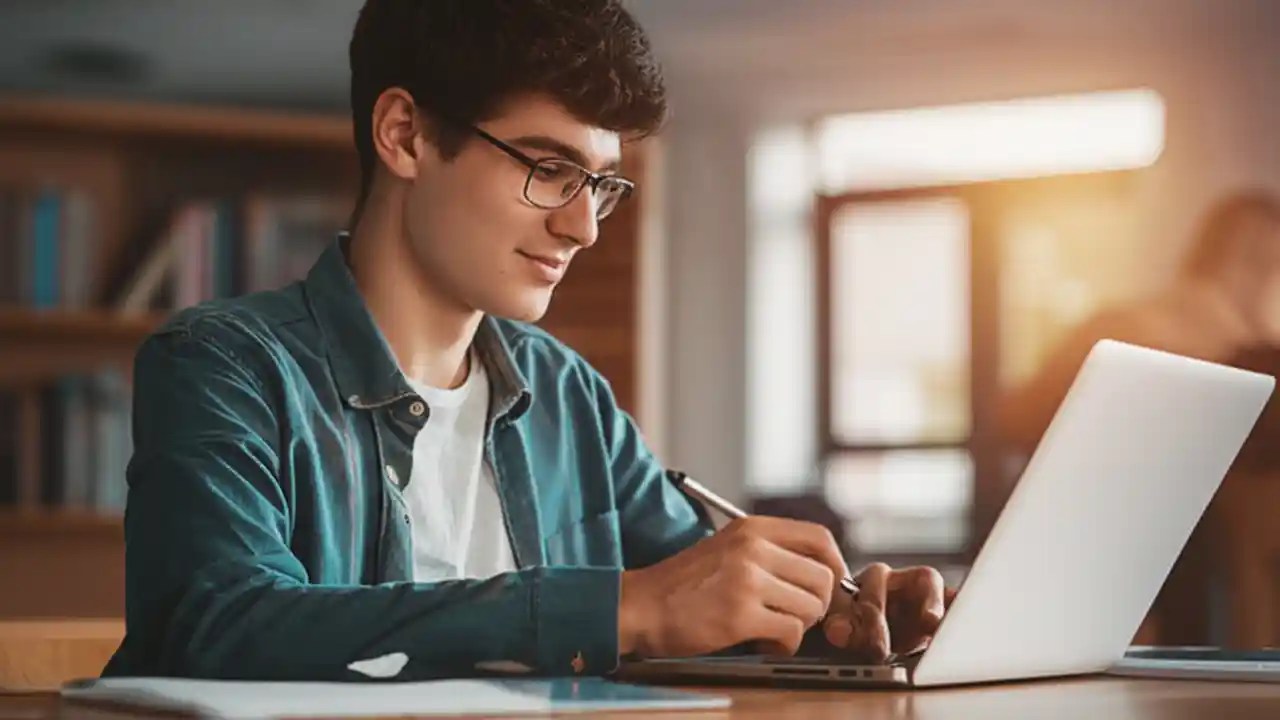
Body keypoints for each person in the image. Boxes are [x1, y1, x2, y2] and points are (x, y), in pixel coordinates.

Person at [103, 0, 951, 681]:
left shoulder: (568, 393)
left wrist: (825, 624)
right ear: (404, 135)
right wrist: (623, 609)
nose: (583, 226)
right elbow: (214, 624)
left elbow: (692, 603)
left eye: (600, 184)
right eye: (548, 169)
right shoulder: (223, 363)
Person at [999, 190, 1280, 645]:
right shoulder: (1135, 329)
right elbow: (1018, 418)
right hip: (1136, 570)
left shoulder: (1251, 350)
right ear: (1249, 260)